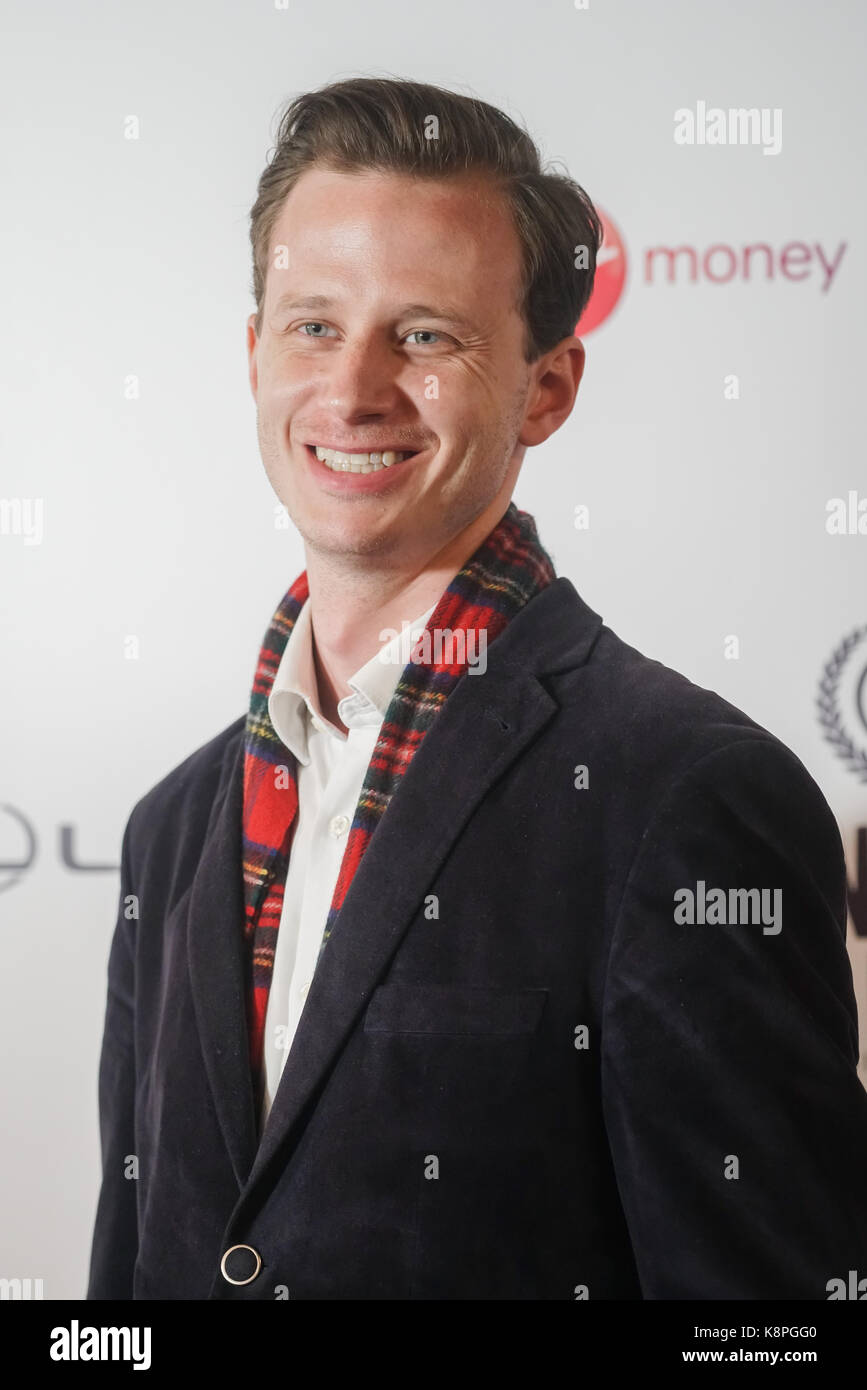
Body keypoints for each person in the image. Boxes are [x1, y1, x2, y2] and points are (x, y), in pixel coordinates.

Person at [87, 76, 867, 1301]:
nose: (353, 391)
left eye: (426, 334)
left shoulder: (688, 798)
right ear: (252, 358)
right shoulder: (173, 829)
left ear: (548, 389)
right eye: (312, 326)